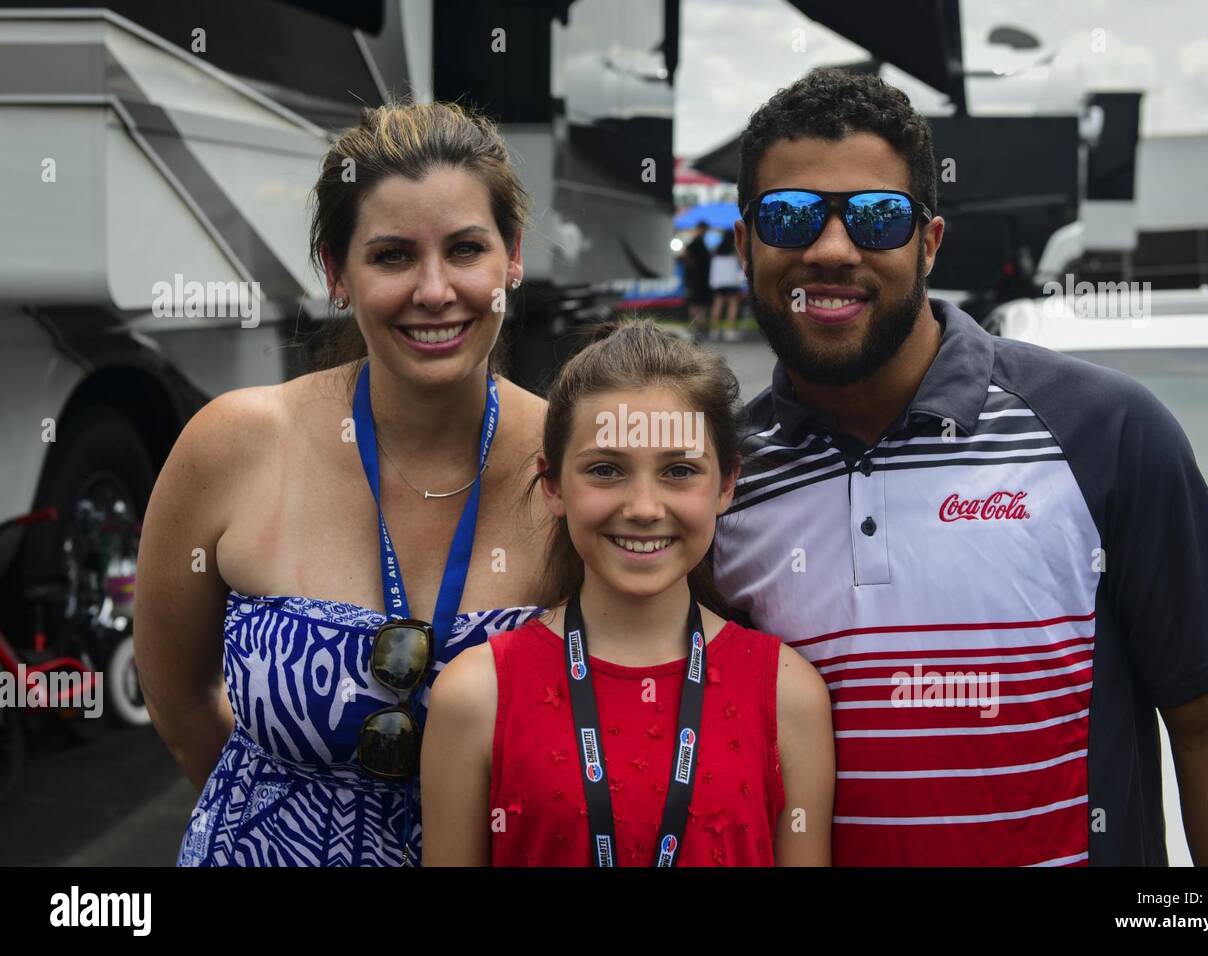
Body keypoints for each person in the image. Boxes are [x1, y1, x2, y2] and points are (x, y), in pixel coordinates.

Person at [711, 68, 1208, 866]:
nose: (832, 249)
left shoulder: (1106, 431)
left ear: (930, 242)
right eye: (790, 216)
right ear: (746, 244)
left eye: (879, 218)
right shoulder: (714, 484)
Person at [134, 100, 552, 867]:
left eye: (465, 249)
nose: (434, 290)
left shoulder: (573, 467)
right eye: (392, 255)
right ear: (335, 271)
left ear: (512, 257)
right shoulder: (234, 443)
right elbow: (178, 702)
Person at [420, 319, 834, 866]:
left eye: (679, 470)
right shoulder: (477, 695)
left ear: (727, 483)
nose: (642, 508)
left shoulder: (786, 695)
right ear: (552, 484)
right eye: (607, 470)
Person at [707, 229, 746, 342]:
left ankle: (714, 331)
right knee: (732, 305)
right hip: (731, 281)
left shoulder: (716, 250)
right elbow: (741, 262)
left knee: (717, 304)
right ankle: (729, 331)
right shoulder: (734, 250)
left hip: (718, 281)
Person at [680, 223, 713, 340]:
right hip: (695, 279)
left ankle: (701, 326)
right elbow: (684, 253)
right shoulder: (695, 242)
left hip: (703, 279)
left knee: (702, 303)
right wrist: (691, 265)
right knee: (695, 303)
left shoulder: (702, 242)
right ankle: (696, 326)